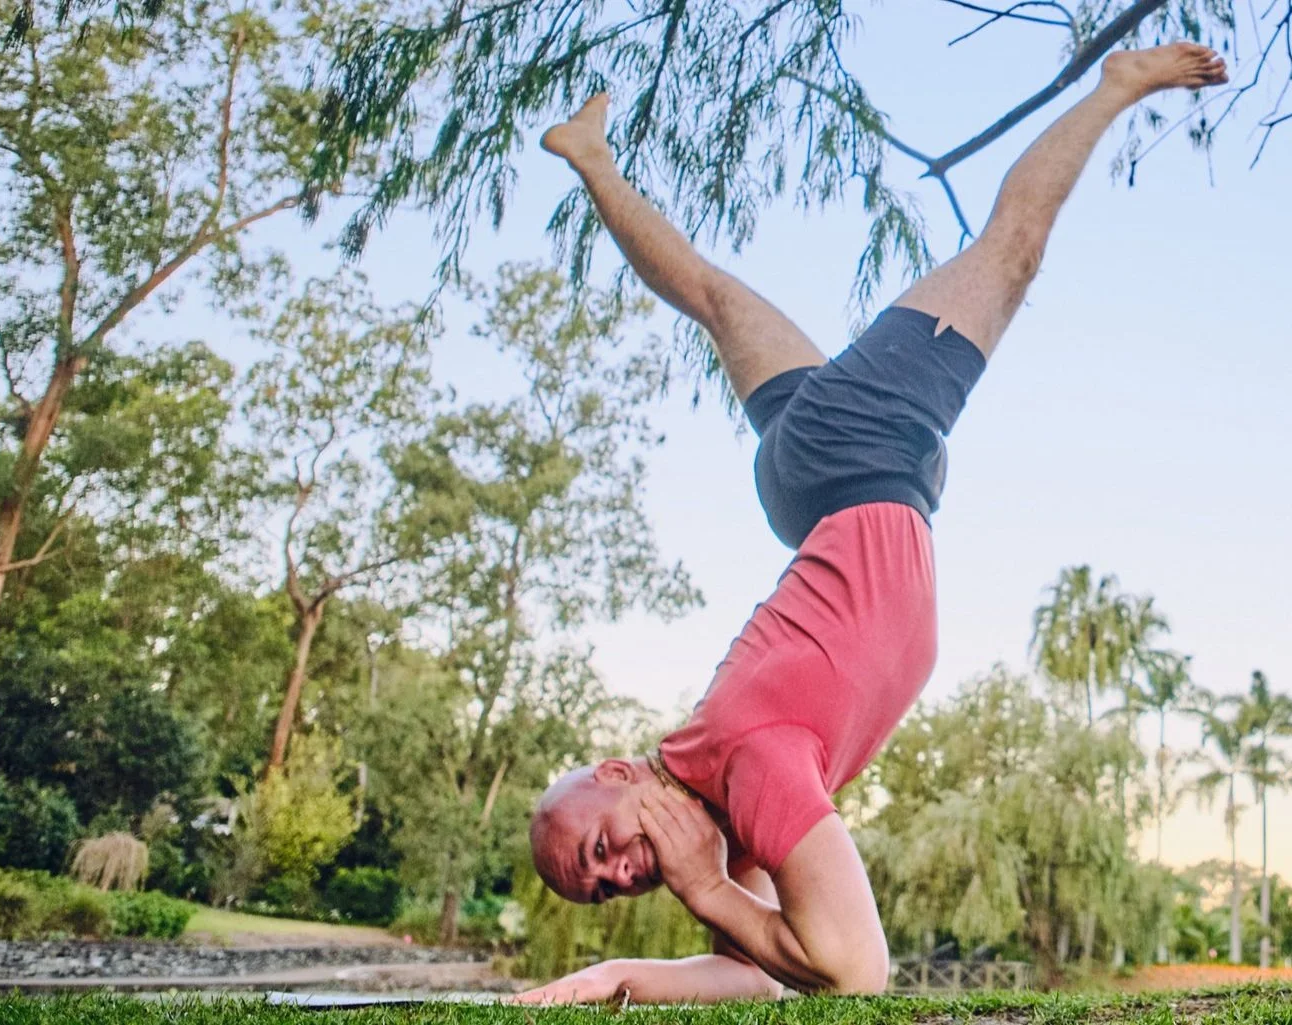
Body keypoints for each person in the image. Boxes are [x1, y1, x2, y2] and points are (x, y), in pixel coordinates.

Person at [512, 42, 1229, 1005]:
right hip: (822, 486)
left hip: (858, 457)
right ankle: (591, 157)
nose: (618, 872)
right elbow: (761, 980)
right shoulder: (726, 800)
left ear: (613, 772)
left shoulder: (745, 769)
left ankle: (1116, 85)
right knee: (717, 301)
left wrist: (713, 890)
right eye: (602, 889)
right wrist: (616, 970)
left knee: (1009, 249)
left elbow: (853, 976)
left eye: (600, 844)